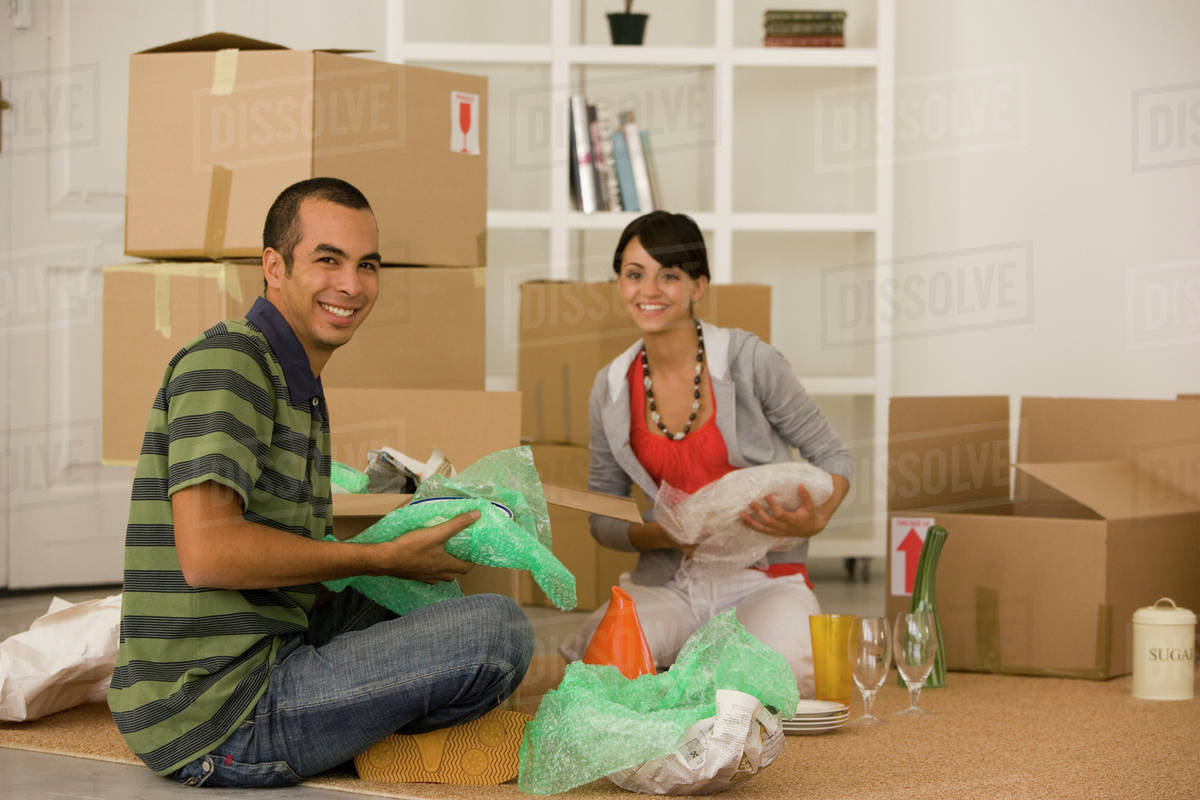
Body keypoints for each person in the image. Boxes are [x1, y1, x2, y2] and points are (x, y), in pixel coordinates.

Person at [107, 178, 534, 788]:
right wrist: (380, 556)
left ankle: (376, 737)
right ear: (274, 267)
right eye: (327, 260)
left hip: (272, 649)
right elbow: (208, 555)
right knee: (496, 632)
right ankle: (373, 747)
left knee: (428, 604)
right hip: (217, 710)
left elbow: (288, 573)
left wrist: (406, 554)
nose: (351, 285)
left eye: (367, 265)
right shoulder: (230, 360)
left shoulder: (296, 383)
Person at [561, 211, 853, 695]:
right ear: (619, 283)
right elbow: (602, 517)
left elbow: (834, 458)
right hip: (673, 585)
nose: (648, 290)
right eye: (635, 275)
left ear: (698, 286)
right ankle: (699, 666)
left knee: (788, 676)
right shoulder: (610, 389)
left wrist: (814, 520)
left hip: (763, 579)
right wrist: (665, 534)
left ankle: (694, 670)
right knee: (599, 667)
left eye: (668, 276)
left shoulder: (750, 361)